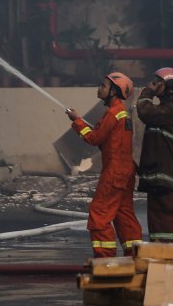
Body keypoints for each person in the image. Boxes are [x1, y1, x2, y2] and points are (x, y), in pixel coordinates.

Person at [66, 71, 142, 257]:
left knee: (99, 212)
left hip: (114, 170)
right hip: (126, 170)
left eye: (103, 86)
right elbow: (103, 136)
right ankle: (135, 255)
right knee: (123, 213)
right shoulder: (121, 113)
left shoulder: (113, 112)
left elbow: (93, 138)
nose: (98, 88)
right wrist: (81, 121)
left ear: (114, 92)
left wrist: (76, 121)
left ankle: (105, 258)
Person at [136, 67, 173, 243]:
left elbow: (144, 111)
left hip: (164, 177)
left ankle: (164, 260)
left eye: (158, 82)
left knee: (161, 222)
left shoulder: (171, 110)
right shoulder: (167, 110)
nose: (154, 84)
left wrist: (147, 92)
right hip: (164, 176)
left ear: (169, 86)